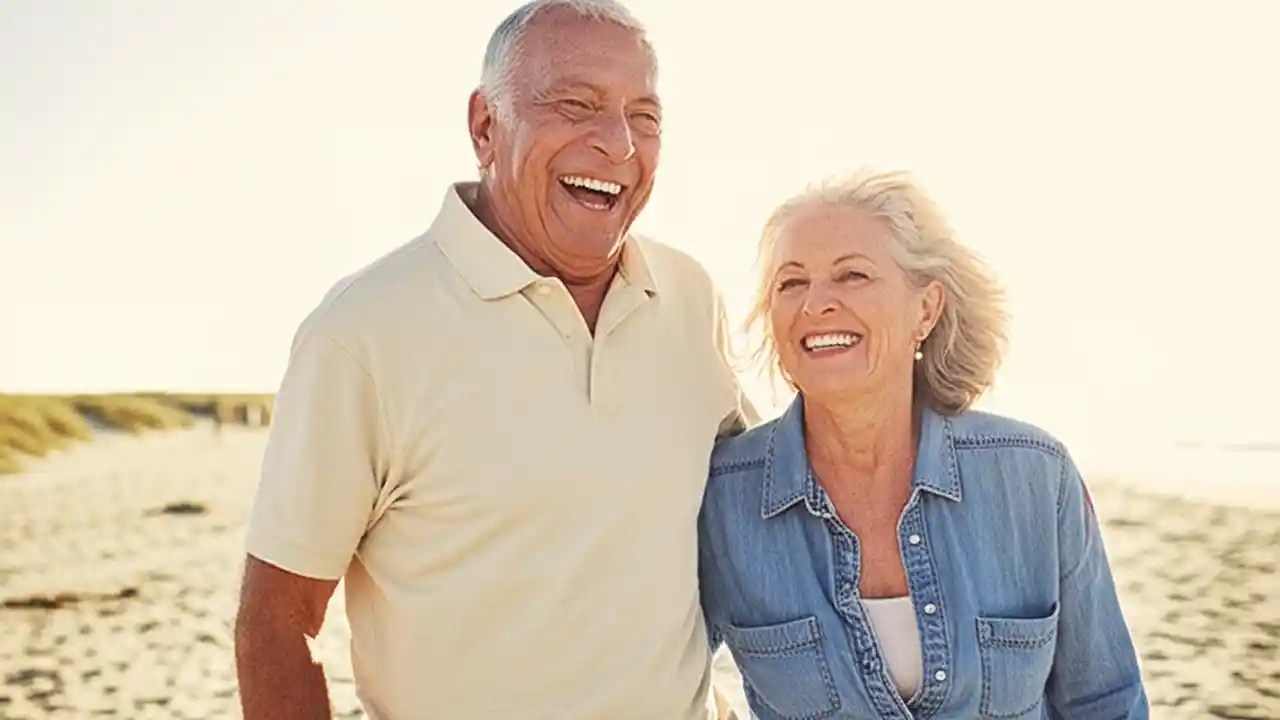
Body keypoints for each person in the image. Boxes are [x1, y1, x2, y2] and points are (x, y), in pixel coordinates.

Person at [233, 2, 751, 718]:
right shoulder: (363, 332)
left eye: (645, 117)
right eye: (576, 105)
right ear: (485, 126)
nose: (619, 145)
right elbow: (278, 617)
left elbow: (770, 492)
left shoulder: (692, 297)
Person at [698, 169, 1149, 719]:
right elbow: (644, 676)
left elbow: (1105, 703)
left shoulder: (1034, 478)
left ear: (926, 309)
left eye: (852, 275)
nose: (816, 304)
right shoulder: (721, 500)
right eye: (792, 283)